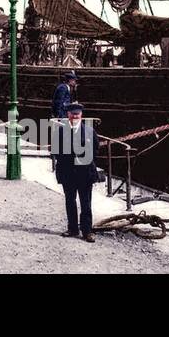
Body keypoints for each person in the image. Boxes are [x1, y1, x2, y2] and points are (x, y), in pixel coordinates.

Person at [52, 103, 99, 242]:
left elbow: (95, 150)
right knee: (70, 201)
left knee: (86, 203)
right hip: (68, 173)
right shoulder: (60, 132)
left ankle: (87, 231)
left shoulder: (90, 131)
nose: (75, 117)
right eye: (72, 114)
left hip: (85, 173)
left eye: (77, 114)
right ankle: (72, 229)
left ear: (81, 115)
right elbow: (56, 151)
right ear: (68, 115)